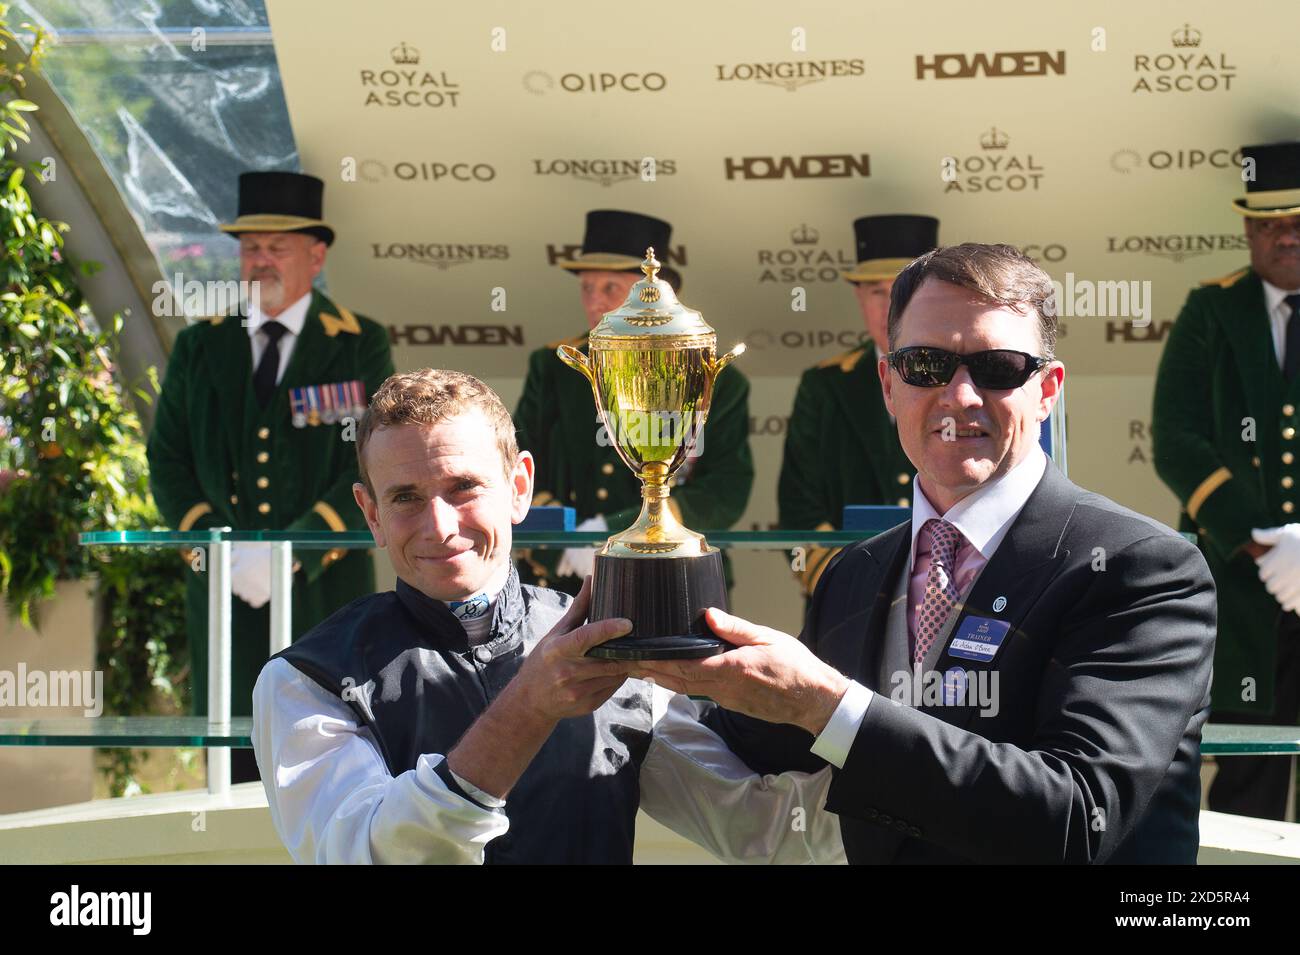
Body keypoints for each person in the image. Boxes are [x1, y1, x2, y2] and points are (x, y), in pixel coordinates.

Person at [636, 243, 1217, 864]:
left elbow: (1077, 816)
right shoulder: (854, 576)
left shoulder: (1140, 569)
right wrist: (624, 677)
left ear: (1047, 390)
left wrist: (824, 703)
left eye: (997, 366)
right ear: (889, 384)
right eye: (925, 365)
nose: (960, 395)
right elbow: (770, 736)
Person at [252, 369, 843, 864]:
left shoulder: (608, 649)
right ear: (371, 513)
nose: (439, 525)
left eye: (463, 487)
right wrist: (528, 707)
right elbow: (370, 855)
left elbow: (769, 831)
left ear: (519, 487)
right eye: (405, 497)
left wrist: (837, 713)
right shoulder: (307, 679)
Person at [147, 171, 395, 782]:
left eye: (277, 247)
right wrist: (218, 551)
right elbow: (168, 459)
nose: (261, 260)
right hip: (224, 595)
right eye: (250, 246)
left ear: (316, 255)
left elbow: (373, 460)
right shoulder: (201, 346)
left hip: (324, 591)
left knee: (333, 754)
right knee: (232, 758)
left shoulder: (359, 343)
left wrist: (293, 552)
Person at [1153, 140, 1300, 821]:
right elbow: (1176, 439)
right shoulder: (1211, 312)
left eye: (1298, 216)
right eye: (1268, 220)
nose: (1285, 232)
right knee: (1246, 792)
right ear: (1245, 226)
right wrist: (1264, 542)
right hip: (1242, 595)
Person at [514, 209, 753, 593]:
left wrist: (614, 531)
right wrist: (560, 540)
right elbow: (521, 456)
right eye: (587, 288)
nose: (595, 302)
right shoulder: (555, 366)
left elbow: (726, 488)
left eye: (610, 289)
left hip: (675, 571)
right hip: (562, 575)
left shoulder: (714, 376)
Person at [779, 215, 938, 597]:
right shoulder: (825, 385)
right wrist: (847, 586)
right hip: (848, 600)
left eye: (902, 292)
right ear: (858, 297)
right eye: (876, 293)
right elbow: (799, 507)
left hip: (953, 597)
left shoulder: (965, 378)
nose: (889, 308)